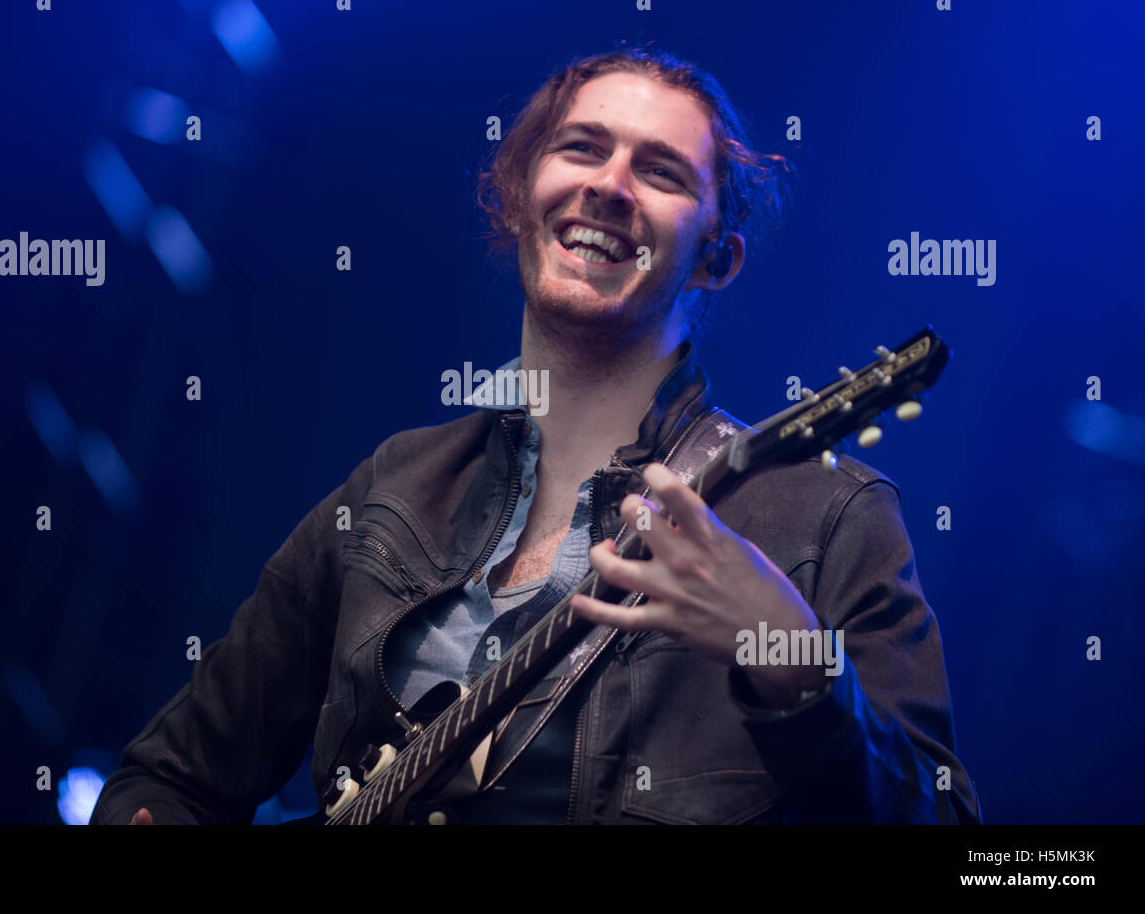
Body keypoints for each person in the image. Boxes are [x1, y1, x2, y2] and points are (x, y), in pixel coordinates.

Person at [91, 47, 980, 825]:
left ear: (717, 258)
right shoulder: (395, 484)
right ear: (518, 198)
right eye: (582, 148)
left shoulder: (827, 519)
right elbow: (170, 775)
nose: (610, 184)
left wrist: (795, 663)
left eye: (662, 172)